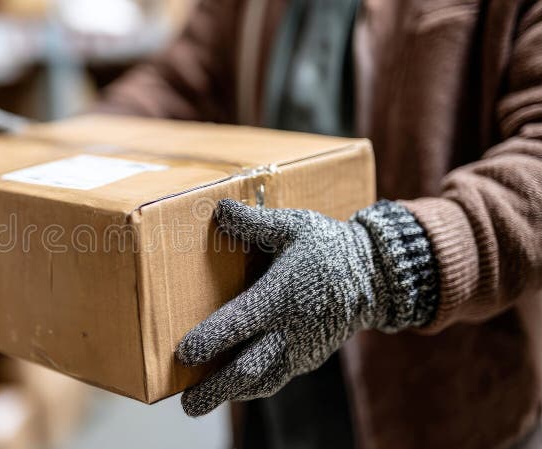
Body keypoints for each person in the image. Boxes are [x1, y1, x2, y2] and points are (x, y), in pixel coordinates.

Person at [96, 1, 542, 448]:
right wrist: (61, 144)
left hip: (439, 389)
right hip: (267, 363)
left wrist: (380, 263)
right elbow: (179, 82)